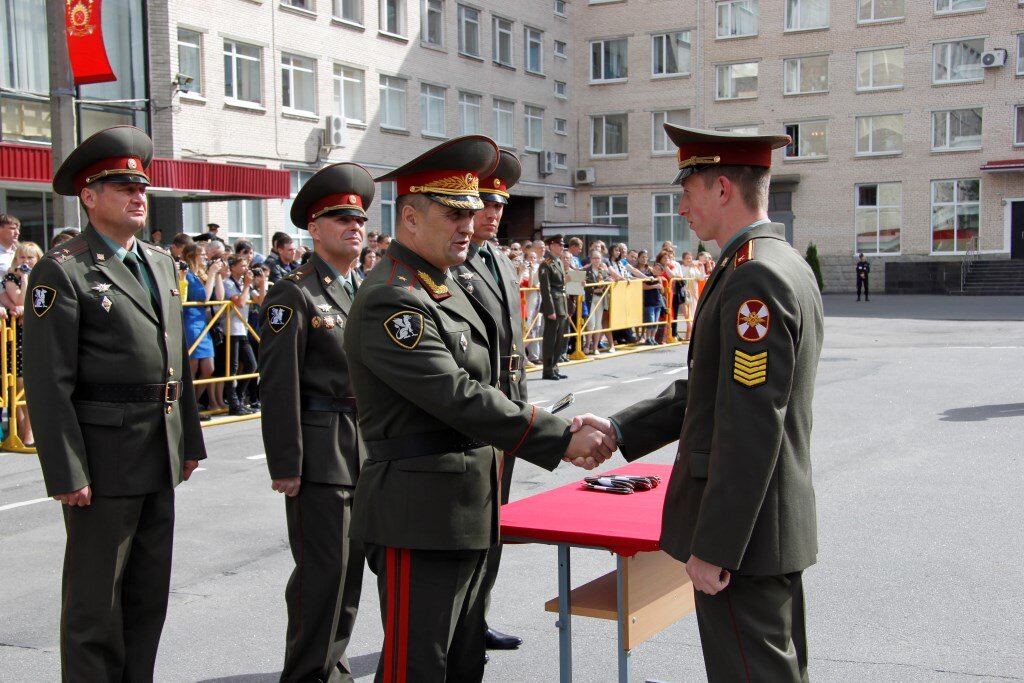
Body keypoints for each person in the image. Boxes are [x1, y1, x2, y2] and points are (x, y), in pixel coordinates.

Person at [344, 135, 615, 683]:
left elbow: (487, 380)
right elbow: (456, 395)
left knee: (464, 659)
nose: (469, 223)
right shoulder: (393, 296)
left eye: (473, 211)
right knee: (417, 666)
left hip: (467, 501)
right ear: (411, 218)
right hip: (418, 509)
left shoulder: (445, 283)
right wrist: (559, 437)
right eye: (453, 212)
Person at [578, 124, 823, 682]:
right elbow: (709, 392)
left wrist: (717, 545)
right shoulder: (773, 260)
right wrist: (620, 427)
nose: (682, 207)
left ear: (721, 189)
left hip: (746, 537)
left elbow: (751, 423)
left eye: (687, 191)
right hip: (767, 526)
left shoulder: (753, 275)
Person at [23, 125, 207, 682]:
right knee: (95, 605)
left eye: (141, 186)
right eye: (122, 186)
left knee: (148, 596)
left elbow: (174, 359)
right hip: (102, 459)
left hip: (157, 452)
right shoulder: (64, 269)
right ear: (89, 195)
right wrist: (66, 469)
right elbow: (47, 381)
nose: (137, 196)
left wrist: (189, 441)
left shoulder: (158, 262)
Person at [259, 163, 375, 683]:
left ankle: (333, 669)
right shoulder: (295, 293)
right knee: (323, 576)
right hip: (320, 453)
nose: (355, 227)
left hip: (364, 448)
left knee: (350, 575)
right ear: (314, 227)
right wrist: (286, 463)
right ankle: (308, 674)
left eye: (360, 220)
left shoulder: (361, 289)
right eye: (340, 218)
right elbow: (277, 385)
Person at [450, 150, 529, 652]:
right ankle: (457, 622)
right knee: (470, 529)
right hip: (478, 416)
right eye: (485, 204)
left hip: (509, 411)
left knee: (494, 525)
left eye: (500, 205)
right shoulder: (451, 266)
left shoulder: (497, 259)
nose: (494, 214)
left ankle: (477, 617)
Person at [4, 241, 43, 445]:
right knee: (19, 386)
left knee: (33, 386)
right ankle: (22, 433)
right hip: (18, 337)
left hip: (38, 334)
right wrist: (25, 277)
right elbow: (22, 302)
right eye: (22, 257)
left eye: (30, 258)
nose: (26, 261)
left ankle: (29, 433)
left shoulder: (46, 276)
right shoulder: (11, 277)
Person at [181, 241, 222, 418]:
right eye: (202, 255)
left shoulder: (200, 275)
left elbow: (218, 297)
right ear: (192, 256)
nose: (205, 258)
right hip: (191, 322)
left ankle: (194, 401)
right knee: (192, 366)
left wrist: (216, 275)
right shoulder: (188, 275)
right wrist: (212, 273)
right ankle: (189, 407)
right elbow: (204, 297)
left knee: (208, 368)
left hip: (202, 323)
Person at [222, 254, 257, 415]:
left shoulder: (245, 283)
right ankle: (233, 403)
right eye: (242, 266)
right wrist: (247, 286)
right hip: (231, 329)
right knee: (232, 368)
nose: (245, 269)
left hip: (243, 329)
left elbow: (261, 300)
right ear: (233, 267)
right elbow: (240, 302)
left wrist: (261, 283)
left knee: (252, 365)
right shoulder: (228, 283)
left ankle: (240, 398)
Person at [538, 234, 569, 380]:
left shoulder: (559, 262)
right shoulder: (546, 263)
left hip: (561, 303)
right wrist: (550, 310)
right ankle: (548, 370)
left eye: (563, 245)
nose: (562, 247)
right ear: (551, 245)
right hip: (553, 305)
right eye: (560, 245)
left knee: (559, 339)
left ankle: (555, 366)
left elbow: (562, 286)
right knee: (550, 339)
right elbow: (546, 289)